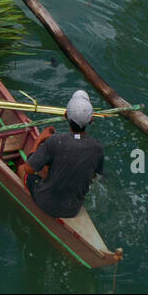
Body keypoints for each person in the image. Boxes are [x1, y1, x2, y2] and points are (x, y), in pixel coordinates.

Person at [21, 89, 105, 219]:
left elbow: (29, 169)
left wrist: (38, 141)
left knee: (22, 169)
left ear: (66, 115)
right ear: (91, 120)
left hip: (45, 203)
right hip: (73, 209)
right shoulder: (98, 148)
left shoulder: (55, 141)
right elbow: (93, 176)